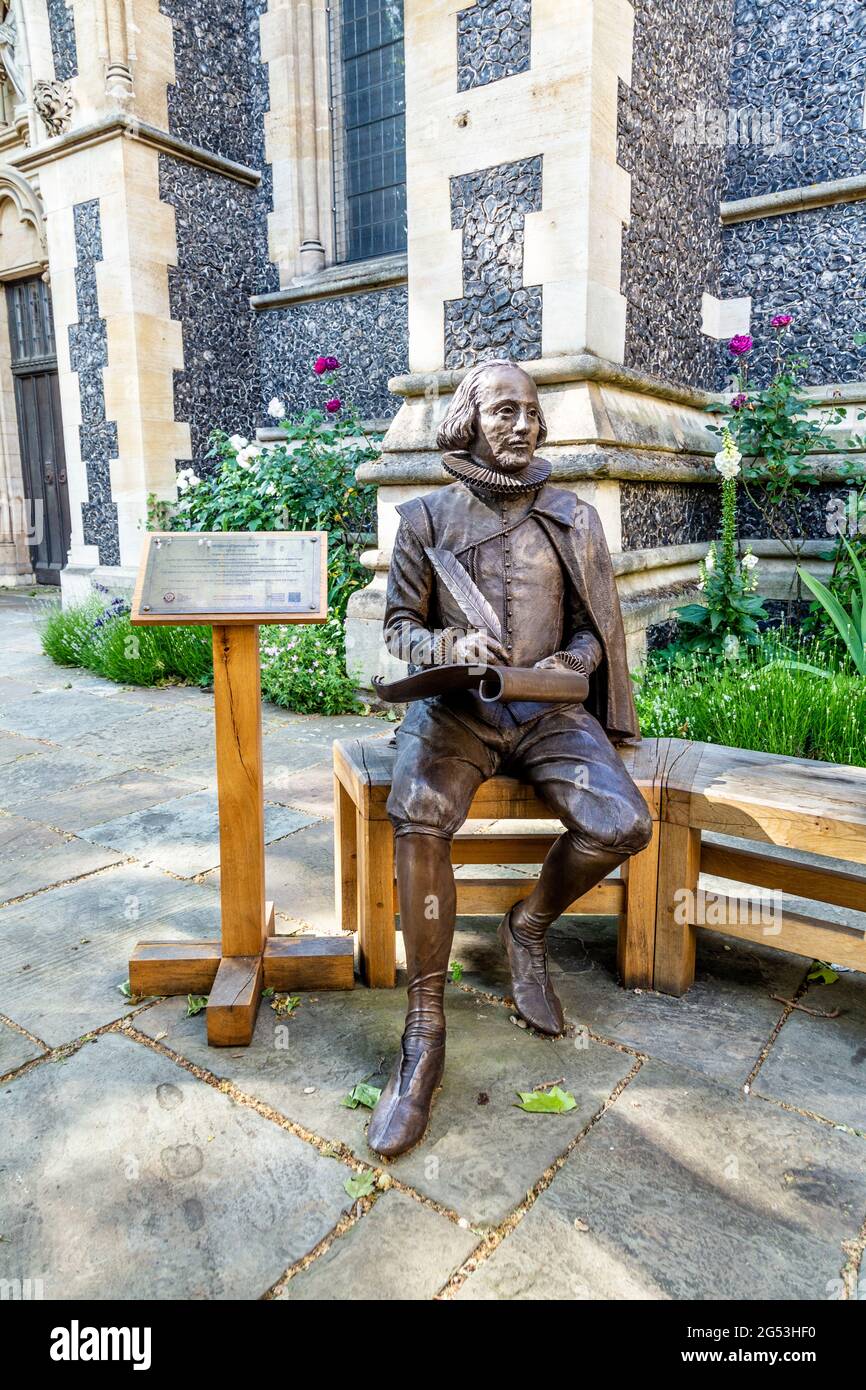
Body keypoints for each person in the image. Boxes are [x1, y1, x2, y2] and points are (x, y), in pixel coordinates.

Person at [367, 359, 653, 1157]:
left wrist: (578, 667)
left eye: (531, 411)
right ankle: (425, 1027)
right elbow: (398, 627)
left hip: (546, 712)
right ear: (468, 422)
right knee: (420, 812)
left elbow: (596, 631)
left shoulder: (572, 517)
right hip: (458, 710)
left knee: (625, 823)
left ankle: (527, 927)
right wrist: (452, 642)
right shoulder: (427, 518)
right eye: (503, 412)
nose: (522, 425)